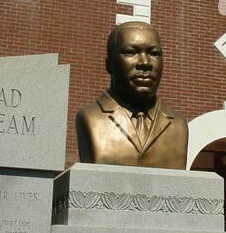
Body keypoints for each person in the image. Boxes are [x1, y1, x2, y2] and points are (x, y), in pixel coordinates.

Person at [75, 21, 188, 169]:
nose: (145, 63)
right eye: (130, 52)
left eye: (154, 53)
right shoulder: (91, 118)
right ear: (109, 64)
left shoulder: (178, 124)